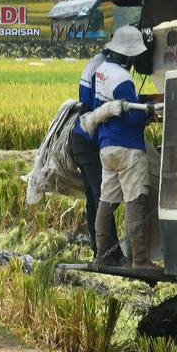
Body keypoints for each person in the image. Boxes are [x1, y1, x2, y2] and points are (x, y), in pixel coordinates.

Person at [91, 26, 158, 270]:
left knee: (106, 201)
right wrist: (149, 115)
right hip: (128, 148)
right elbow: (132, 118)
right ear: (129, 55)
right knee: (135, 200)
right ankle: (139, 259)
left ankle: (101, 255)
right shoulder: (123, 78)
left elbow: (113, 105)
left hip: (106, 146)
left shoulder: (101, 71)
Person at [68, 51, 107, 248]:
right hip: (88, 139)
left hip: (81, 136)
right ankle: (105, 250)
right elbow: (104, 104)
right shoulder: (106, 70)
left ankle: (98, 248)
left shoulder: (94, 62)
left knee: (93, 197)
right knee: (101, 196)